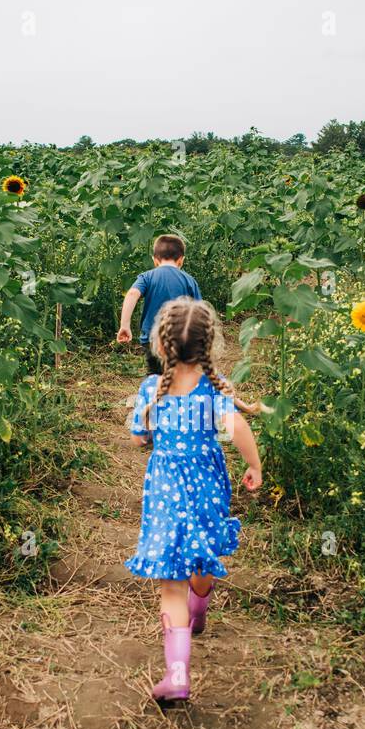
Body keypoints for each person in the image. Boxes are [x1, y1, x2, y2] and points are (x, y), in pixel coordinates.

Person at [125, 298, 263, 704]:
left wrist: (153, 432)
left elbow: (138, 437)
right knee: (203, 556)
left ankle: (178, 675)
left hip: (166, 491)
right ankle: (200, 605)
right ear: (210, 344)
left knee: (171, 584)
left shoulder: (152, 389)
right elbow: (235, 426)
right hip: (208, 485)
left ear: (161, 346)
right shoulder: (216, 389)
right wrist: (254, 466)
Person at [116, 234, 202, 376]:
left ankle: (155, 395)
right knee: (180, 376)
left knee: (155, 376)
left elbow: (132, 294)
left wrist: (125, 325)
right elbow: (199, 311)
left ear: (155, 260)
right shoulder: (189, 280)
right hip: (181, 339)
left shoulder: (147, 277)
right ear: (181, 260)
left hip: (153, 339)